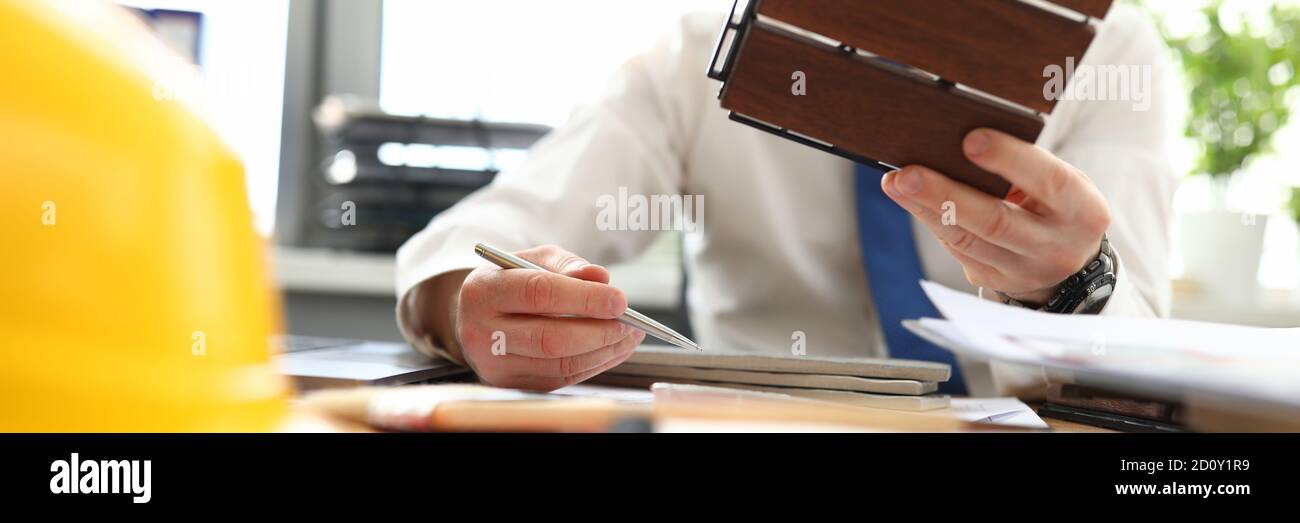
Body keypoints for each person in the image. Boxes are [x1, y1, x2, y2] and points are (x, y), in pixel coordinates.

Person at [393, 5, 1180, 395]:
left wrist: (1074, 285)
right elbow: (481, 234)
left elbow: (1143, 352)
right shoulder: (698, 50)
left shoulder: (1109, 55)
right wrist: (469, 304)